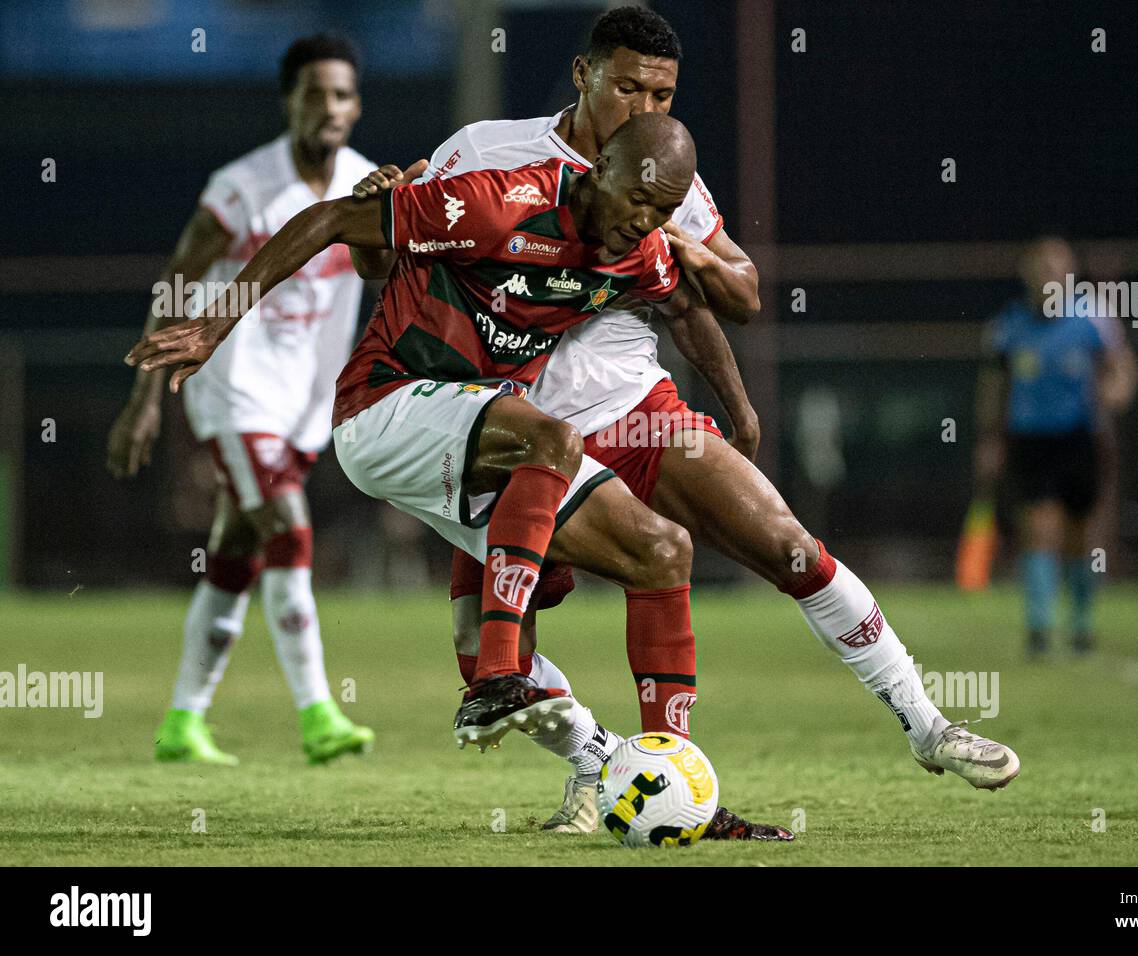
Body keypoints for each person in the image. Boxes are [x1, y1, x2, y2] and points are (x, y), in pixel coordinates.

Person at [354, 6, 1021, 836]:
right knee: (487, 643)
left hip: (637, 413)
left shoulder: (671, 178)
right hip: (511, 427)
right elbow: (389, 257)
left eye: (661, 94)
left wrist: (728, 386)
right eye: (627, 86)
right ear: (582, 75)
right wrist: (379, 207)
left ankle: (926, 726)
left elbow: (731, 296)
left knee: (784, 543)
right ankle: (604, 772)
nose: (644, 109)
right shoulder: (488, 151)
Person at [127, 113, 725, 765]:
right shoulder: (499, 204)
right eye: (637, 200)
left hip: (482, 432)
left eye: (661, 209)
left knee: (664, 550)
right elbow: (329, 221)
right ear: (599, 170)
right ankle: (498, 678)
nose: (645, 220)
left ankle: (668, 777)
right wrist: (215, 324)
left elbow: (692, 308)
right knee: (552, 442)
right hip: (385, 405)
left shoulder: (642, 251)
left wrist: (740, 413)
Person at [107, 34, 376, 765]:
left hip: (305, 404)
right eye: (314, 92)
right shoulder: (242, 187)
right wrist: (146, 399)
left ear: (356, 106)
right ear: (288, 99)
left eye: (342, 94)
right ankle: (320, 715)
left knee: (234, 554)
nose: (329, 107)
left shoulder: (362, 186)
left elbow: (399, 266)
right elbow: (177, 277)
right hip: (235, 392)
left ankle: (182, 723)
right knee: (289, 533)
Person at [975, 236, 1129, 657]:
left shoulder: (1091, 319)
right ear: (1027, 274)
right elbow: (994, 385)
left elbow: (1121, 370)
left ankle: (1080, 624)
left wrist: (1114, 393)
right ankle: (1040, 627)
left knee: (1079, 533)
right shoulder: (1009, 324)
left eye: (1056, 267)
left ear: (1070, 274)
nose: (1049, 276)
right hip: (1030, 441)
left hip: (1079, 437)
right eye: (1041, 267)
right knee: (1039, 529)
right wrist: (989, 438)